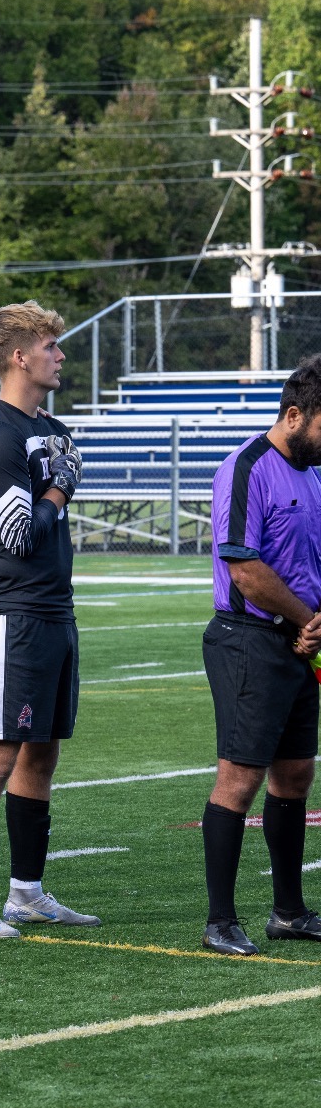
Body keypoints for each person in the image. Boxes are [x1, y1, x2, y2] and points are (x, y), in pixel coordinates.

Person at [0, 302, 100, 936]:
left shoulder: (53, 426)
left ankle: (27, 892)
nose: (60, 356)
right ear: (19, 355)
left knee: (43, 753)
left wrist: (58, 489)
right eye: (50, 346)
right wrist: (59, 490)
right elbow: (18, 533)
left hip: (54, 608)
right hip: (13, 611)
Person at [198, 355, 321, 954]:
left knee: (296, 774)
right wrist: (307, 620)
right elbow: (244, 568)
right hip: (248, 641)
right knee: (239, 779)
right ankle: (220, 921)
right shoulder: (247, 468)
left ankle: (289, 912)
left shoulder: (315, 472)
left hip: (301, 644)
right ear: (294, 414)